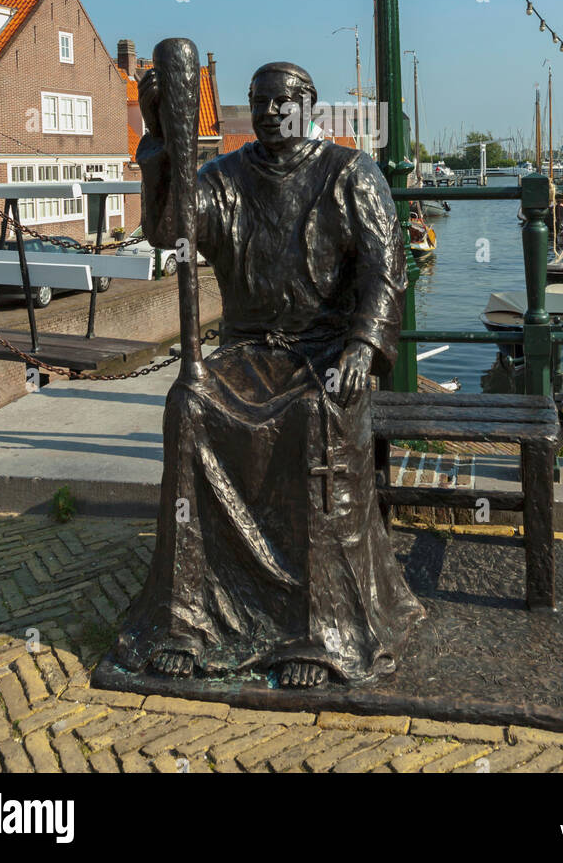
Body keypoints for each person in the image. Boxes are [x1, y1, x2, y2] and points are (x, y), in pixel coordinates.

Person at [114, 60, 423, 689]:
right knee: (188, 407)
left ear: (309, 104)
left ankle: (320, 625)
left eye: (282, 101)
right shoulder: (225, 177)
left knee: (317, 415)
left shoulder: (349, 175)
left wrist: (363, 348)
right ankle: (188, 619)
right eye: (258, 101)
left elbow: (385, 271)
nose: (269, 112)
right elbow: (171, 230)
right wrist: (163, 149)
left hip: (325, 351)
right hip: (247, 353)